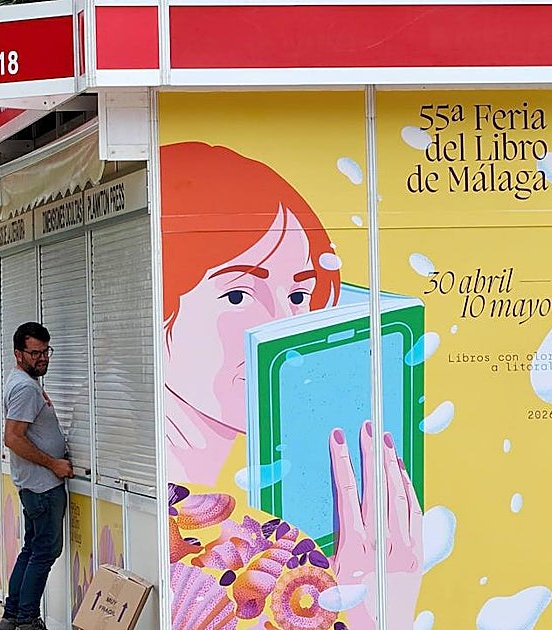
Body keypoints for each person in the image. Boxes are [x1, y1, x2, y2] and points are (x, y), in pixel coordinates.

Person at [160, 142, 422, 627]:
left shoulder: (253, 518)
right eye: (238, 295)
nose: (283, 323)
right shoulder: (206, 537)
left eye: (300, 293)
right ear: (158, 308)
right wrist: (372, 609)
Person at [0, 323, 72, 630]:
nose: (42, 358)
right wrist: (53, 464)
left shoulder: (24, 381)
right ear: (18, 354)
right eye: (35, 353)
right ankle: (27, 620)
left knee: (32, 549)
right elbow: (13, 438)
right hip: (42, 486)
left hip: (34, 486)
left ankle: (12, 616)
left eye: (46, 351)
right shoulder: (26, 387)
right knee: (44, 552)